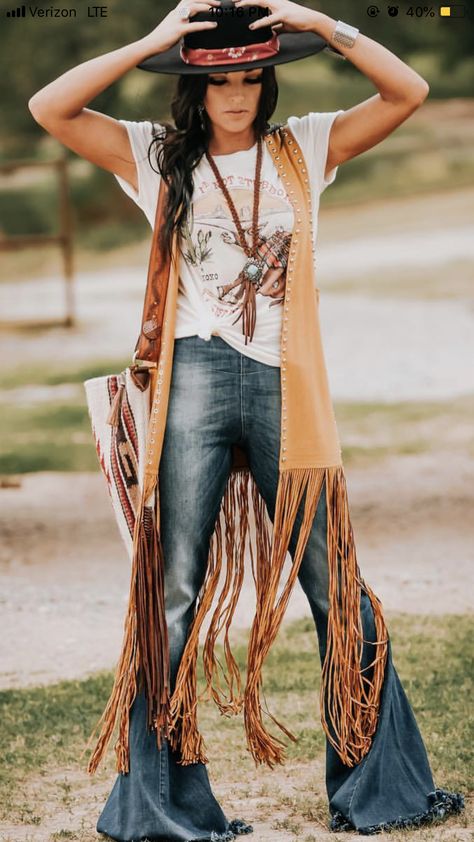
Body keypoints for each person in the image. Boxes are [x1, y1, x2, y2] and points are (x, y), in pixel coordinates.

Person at [28, 1, 465, 839]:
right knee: (173, 594)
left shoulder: (303, 145)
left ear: (268, 79)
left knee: (337, 586)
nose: (237, 94)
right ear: (197, 85)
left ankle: (381, 793)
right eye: (220, 78)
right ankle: (160, 811)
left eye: (251, 76)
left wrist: (323, 24)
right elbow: (50, 107)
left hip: (285, 387)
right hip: (192, 380)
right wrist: (156, 41)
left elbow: (408, 90)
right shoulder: (157, 156)